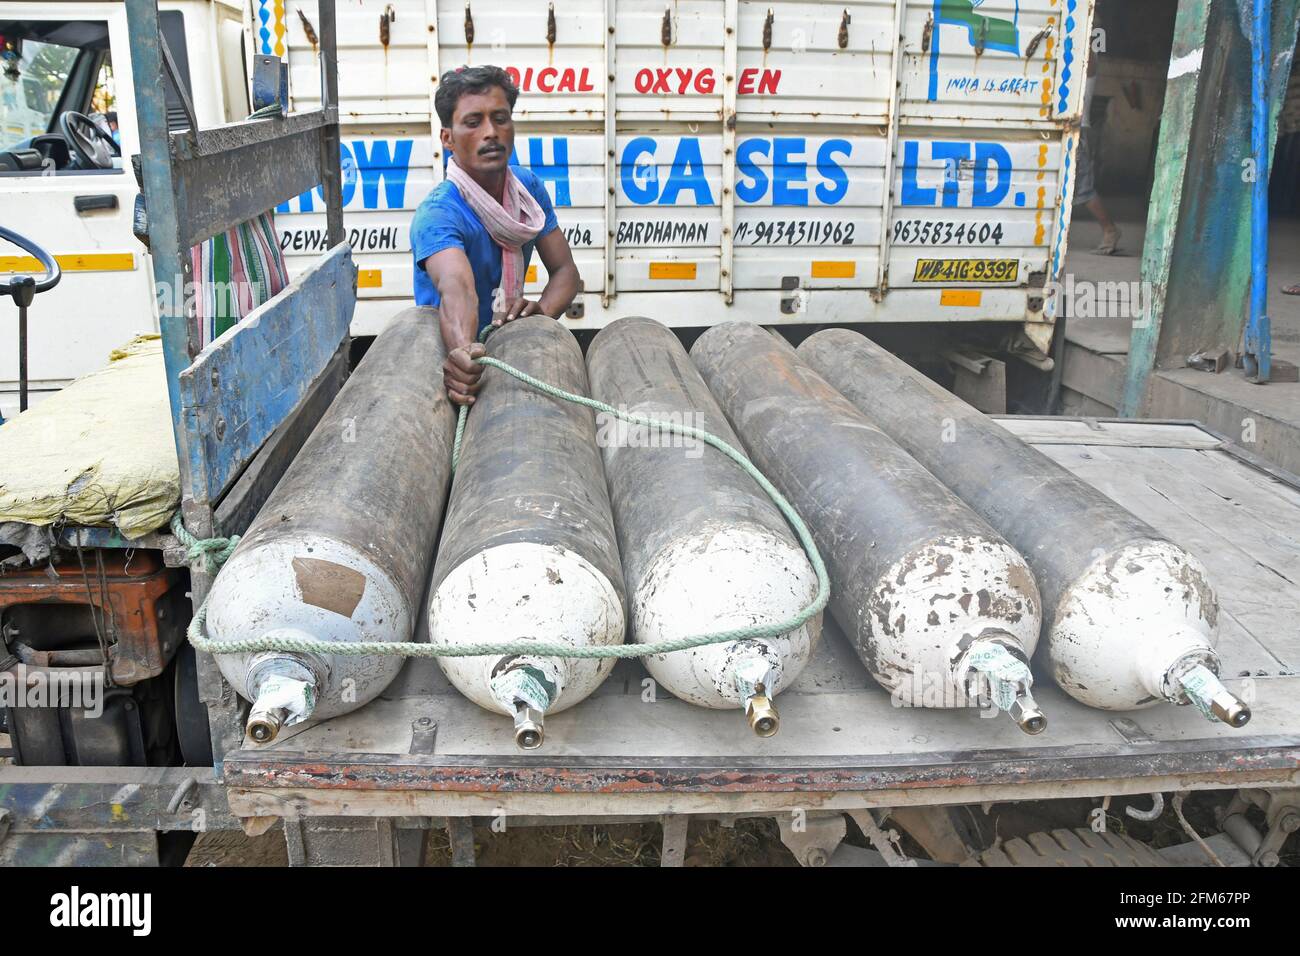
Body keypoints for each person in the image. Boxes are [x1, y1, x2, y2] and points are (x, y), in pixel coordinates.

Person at [410, 66, 581, 405]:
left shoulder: (528, 189)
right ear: (448, 138)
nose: (491, 132)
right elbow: (458, 290)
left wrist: (539, 316)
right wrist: (463, 351)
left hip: (509, 347)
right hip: (448, 357)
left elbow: (566, 273)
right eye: (473, 123)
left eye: (501, 118)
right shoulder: (438, 213)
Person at [1074, 55, 1122, 255]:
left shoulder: (1088, 63)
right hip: (1071, 128)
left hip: (1078, 131)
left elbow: (1090, 59)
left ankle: (1110, 230)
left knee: (1083, 189)